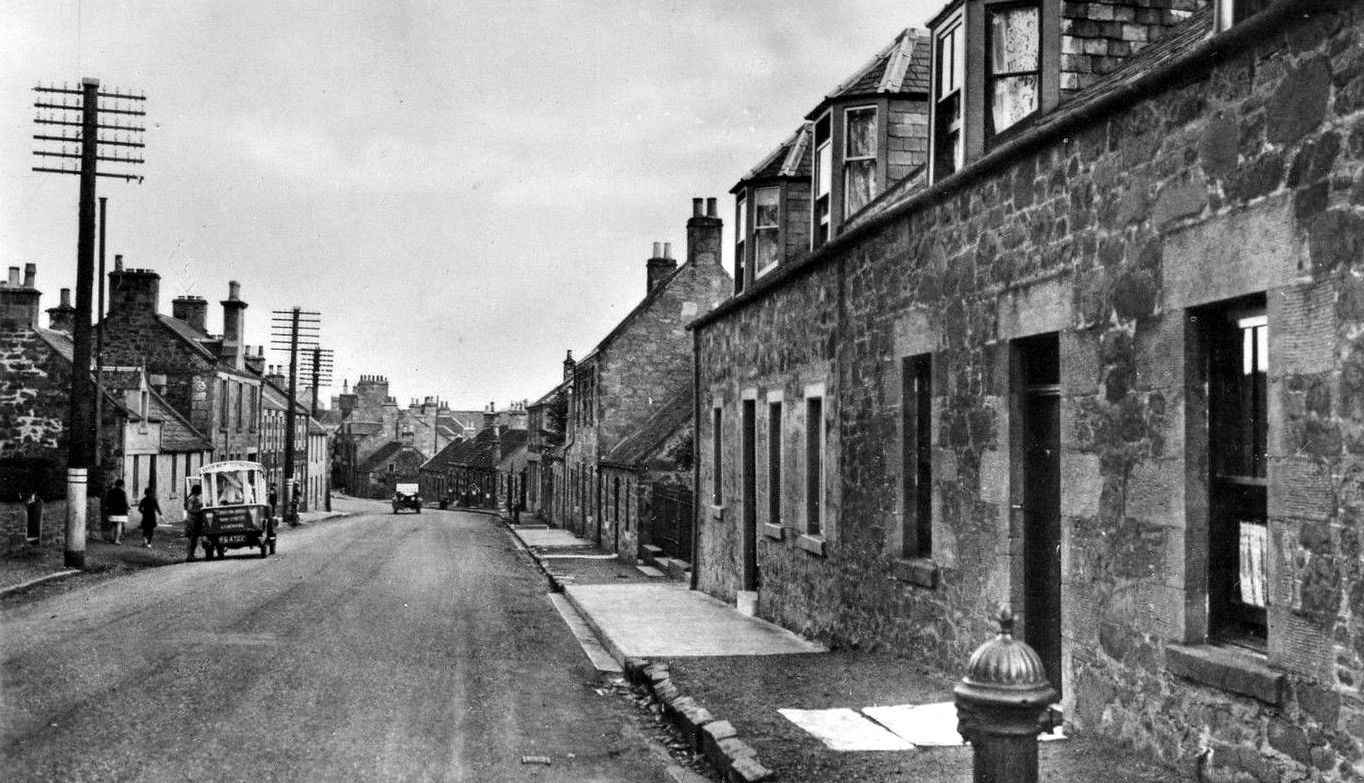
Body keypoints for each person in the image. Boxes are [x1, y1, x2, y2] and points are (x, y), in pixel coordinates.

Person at [104, 479, 129, 545]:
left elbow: (107, 501)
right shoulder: (123, 492)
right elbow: (126, 502)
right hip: (121, 511)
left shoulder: (110, 492)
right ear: (122, 485)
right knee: (119, 524)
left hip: (112, 510)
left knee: (112, 525)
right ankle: (117, 540)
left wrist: (107, 508)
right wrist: (128, 509)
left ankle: (111, 538)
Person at [184, 483, 205, 562]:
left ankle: (191, 555)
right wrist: (199, 510)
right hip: (192, 521)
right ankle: (189, 556)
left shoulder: (194, 498)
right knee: (192, 539)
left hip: (195, 521)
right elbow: (190, 509)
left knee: (194, 539)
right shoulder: (192, 499)